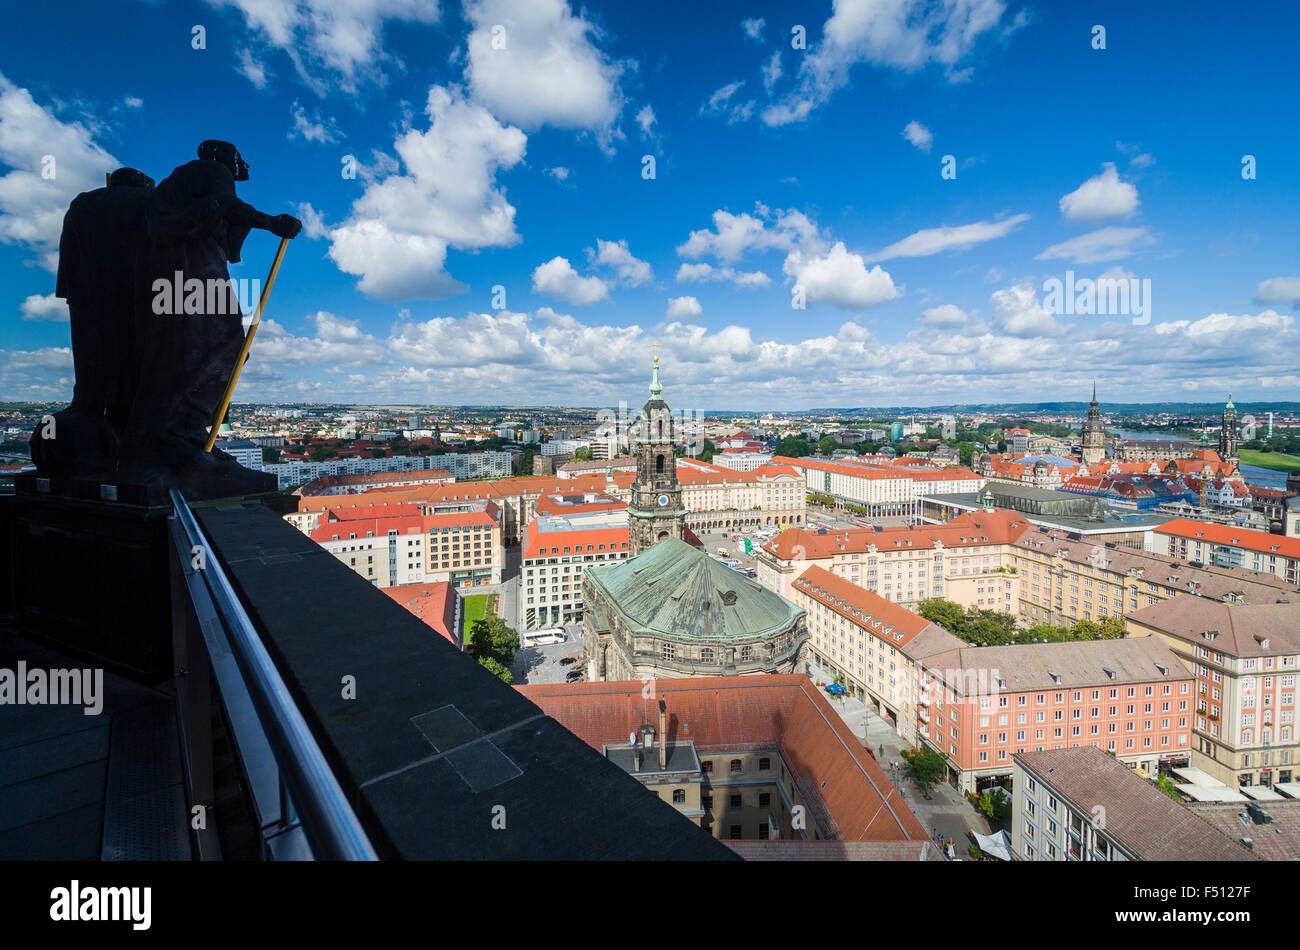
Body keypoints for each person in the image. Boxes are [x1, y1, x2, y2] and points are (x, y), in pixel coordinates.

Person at [121, 140, 301, 480]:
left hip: (175, 273)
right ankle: (184, 431)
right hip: (195, 269)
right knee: (226, 345)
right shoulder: (211, 169)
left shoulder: (177, 182)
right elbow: (227, 205)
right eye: (239, 157)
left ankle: (176, 430)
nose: (244, 165)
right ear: (221, 156)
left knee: (186, 346)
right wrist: (272, 222)